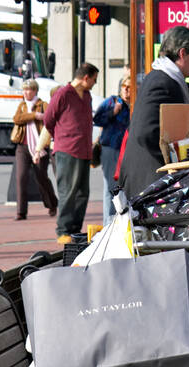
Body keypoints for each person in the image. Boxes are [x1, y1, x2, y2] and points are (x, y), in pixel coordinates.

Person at [117, 29, 189, 201]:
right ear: (182, 53)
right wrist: (171, 165)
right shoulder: (161, 81)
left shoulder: (169, 80)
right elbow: (144, 132)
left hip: (156, 180)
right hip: (149, 181)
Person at [35, 63, 98, 238]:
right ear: (85, 78)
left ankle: (75, 230)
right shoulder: (63, 94)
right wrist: (61, 136)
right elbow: (48, 119)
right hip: (67, 150)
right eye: (94, 79)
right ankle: (63, 230)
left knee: (82, 193)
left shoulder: (87, 95)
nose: (95, 83)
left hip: (84, 150)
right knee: (68, 191)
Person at [12, 79, 58, 221]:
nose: (26, 92)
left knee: (41, 177)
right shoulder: (22, 105)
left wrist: (40, 116)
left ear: (35, 91)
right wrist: (33, 115)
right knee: (21, 177)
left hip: (39, 147)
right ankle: (21, 212)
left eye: (29, 90)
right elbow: (17, 119)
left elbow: (49, 120)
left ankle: (52, 204)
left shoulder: (43, 104)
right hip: (23, 146)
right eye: (24, 90)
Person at [93, 72, 132, 221]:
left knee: (125, 187)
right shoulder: (111, 102)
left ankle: (121, 221)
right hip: (111, 148)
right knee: (110, 187)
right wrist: (113, 112)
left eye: (130, 86)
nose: (127, 89)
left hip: (128, 150)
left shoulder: (134, 105)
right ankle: (108, 222)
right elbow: (97, 119)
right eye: (124, 86)